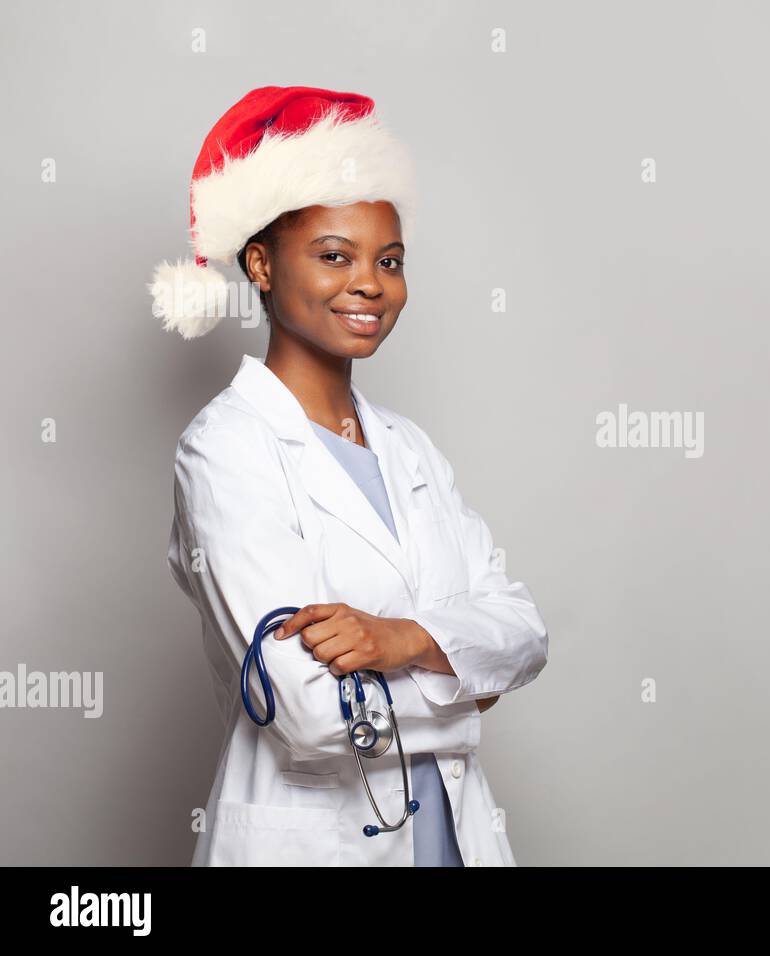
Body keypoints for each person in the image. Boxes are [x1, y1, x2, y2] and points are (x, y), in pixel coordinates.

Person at [154, 86, 548, 866]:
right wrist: (465, 678)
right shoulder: (226, 451)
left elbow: (524, 632)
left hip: (453, 841)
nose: (370, 283)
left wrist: (397, 639)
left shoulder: (409, 448)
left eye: (389, 261)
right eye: (335, 255)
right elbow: (310, 711)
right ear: (261, 265)